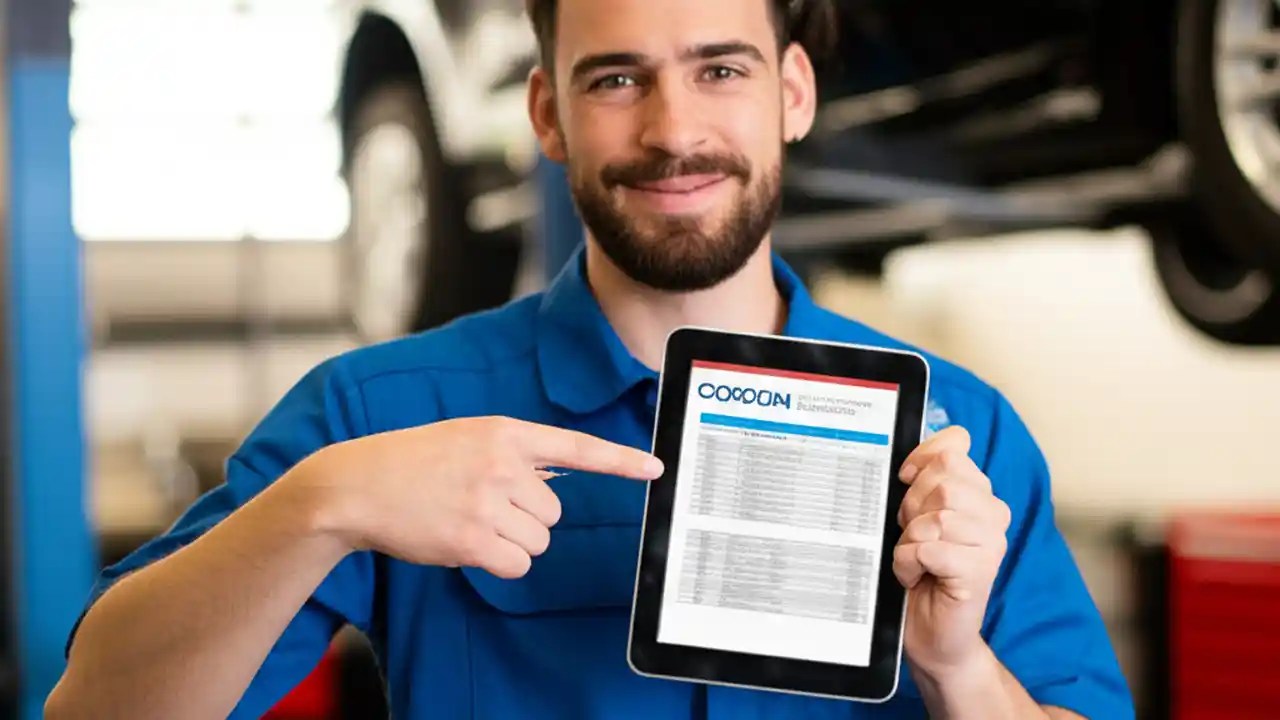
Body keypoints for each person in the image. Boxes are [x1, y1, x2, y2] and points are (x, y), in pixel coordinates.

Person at [46, 0, 1134, 717]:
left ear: (790, 94)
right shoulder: (384, 412)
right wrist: (318, 507)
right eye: (616, 80)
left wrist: (956, 667)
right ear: (547, 113)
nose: (671, 131)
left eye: (718, 69)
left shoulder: (962, 434)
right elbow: (92, 706)